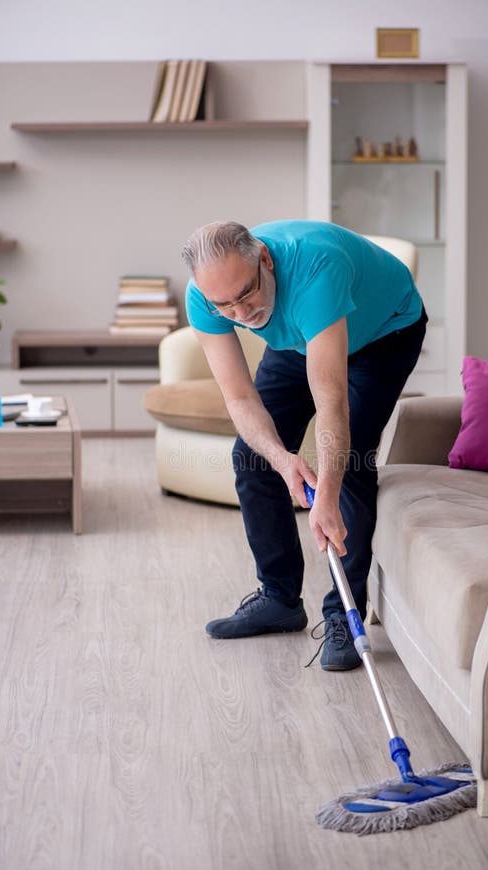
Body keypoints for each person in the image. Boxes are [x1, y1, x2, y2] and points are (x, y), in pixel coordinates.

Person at [182, 220, 427, 671]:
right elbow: (238, 396)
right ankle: (279, 598)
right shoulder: (205, 299)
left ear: (265, 260)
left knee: (349, 464)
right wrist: (282, 459)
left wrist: (326, 498)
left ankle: (342, 615)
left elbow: (331, 401)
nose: (241, 312)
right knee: (251, 457)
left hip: (384, 334)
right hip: (302, 339)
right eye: (225, 306)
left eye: (247, 293)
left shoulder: (315, 265)